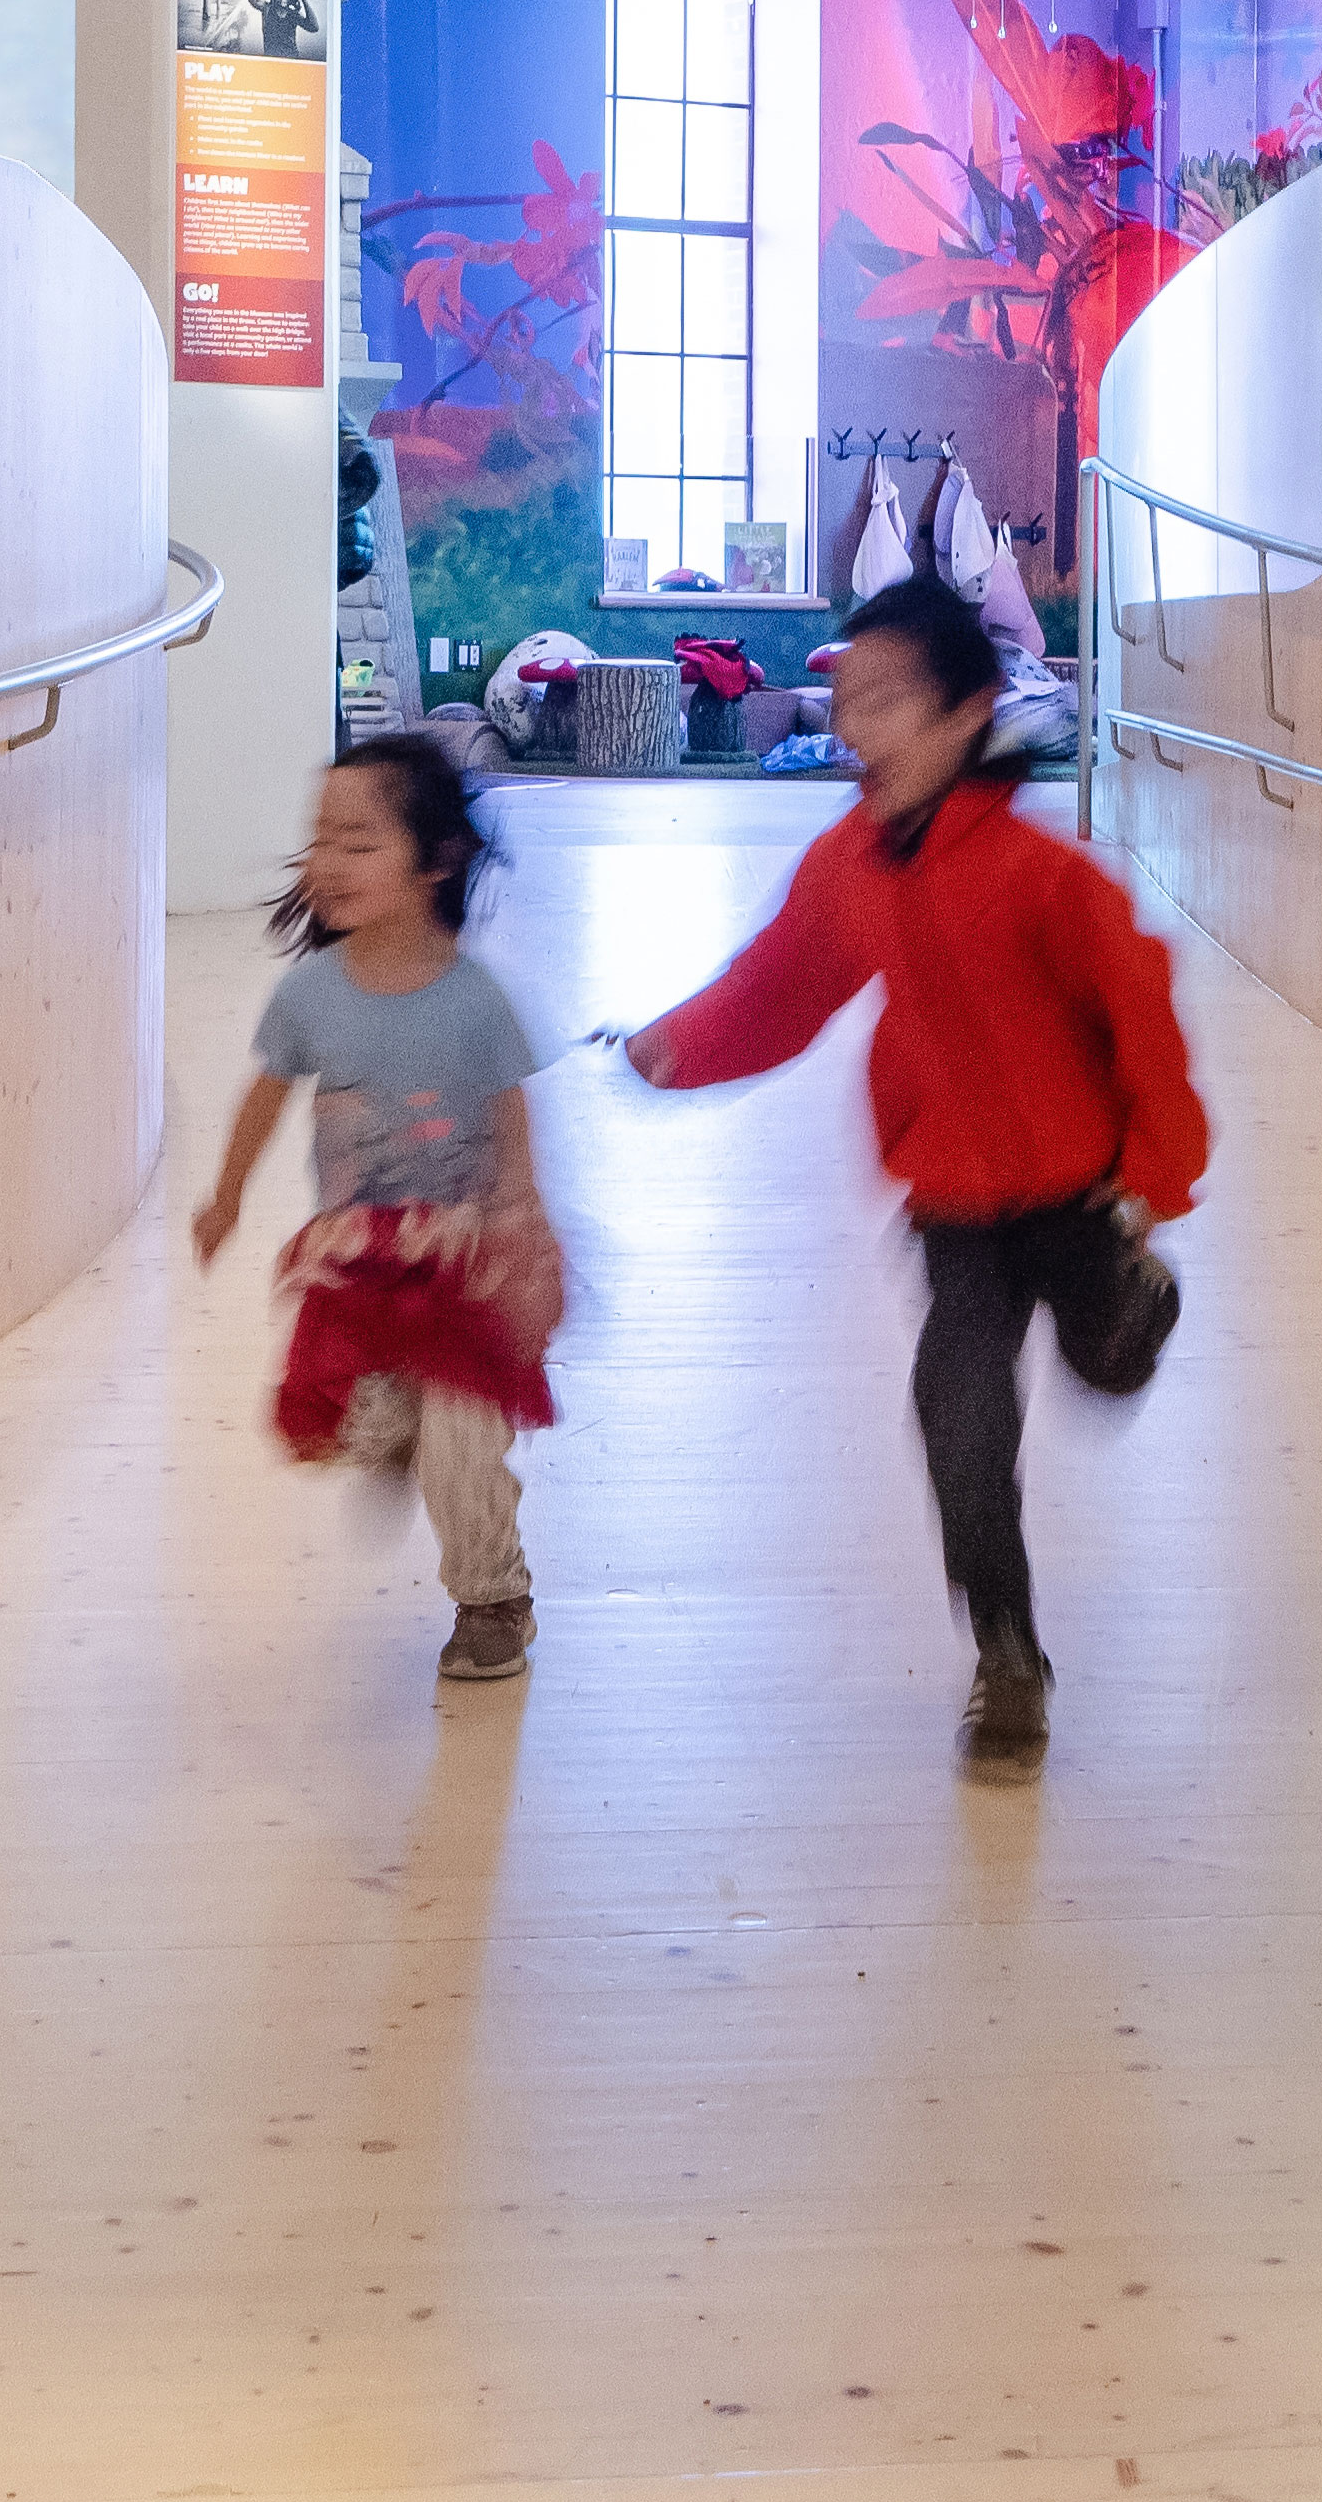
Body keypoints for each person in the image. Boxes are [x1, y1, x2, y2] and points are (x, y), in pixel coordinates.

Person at [613, 571, 1204, 1773]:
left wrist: (1156, 1173)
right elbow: (779, 986)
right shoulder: (848, 866)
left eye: (884, 701)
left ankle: (1135, 1306)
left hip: (1083, 1193)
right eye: (848, 700)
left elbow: (1140, 1017)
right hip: (953, 1202)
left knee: (1104, 1360)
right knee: (958, 1418)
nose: (852, 729)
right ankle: (1007, 1654)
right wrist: (676, 1045)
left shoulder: (1045, 878)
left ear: (966, 713)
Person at [193, 731, 565, 1683]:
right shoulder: (310, 996)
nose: (328, 861)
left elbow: (511, 1114)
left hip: (464, 1257)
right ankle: (401, 1434)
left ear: (435, 860)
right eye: (320, 837)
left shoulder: (477, 1002)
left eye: (359, 841)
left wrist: (523, 1221)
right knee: (354, 1426)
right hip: (361, 1257)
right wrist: (226, 1196)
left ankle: (492, 1599)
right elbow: (265, 1096)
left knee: (462, 1440)